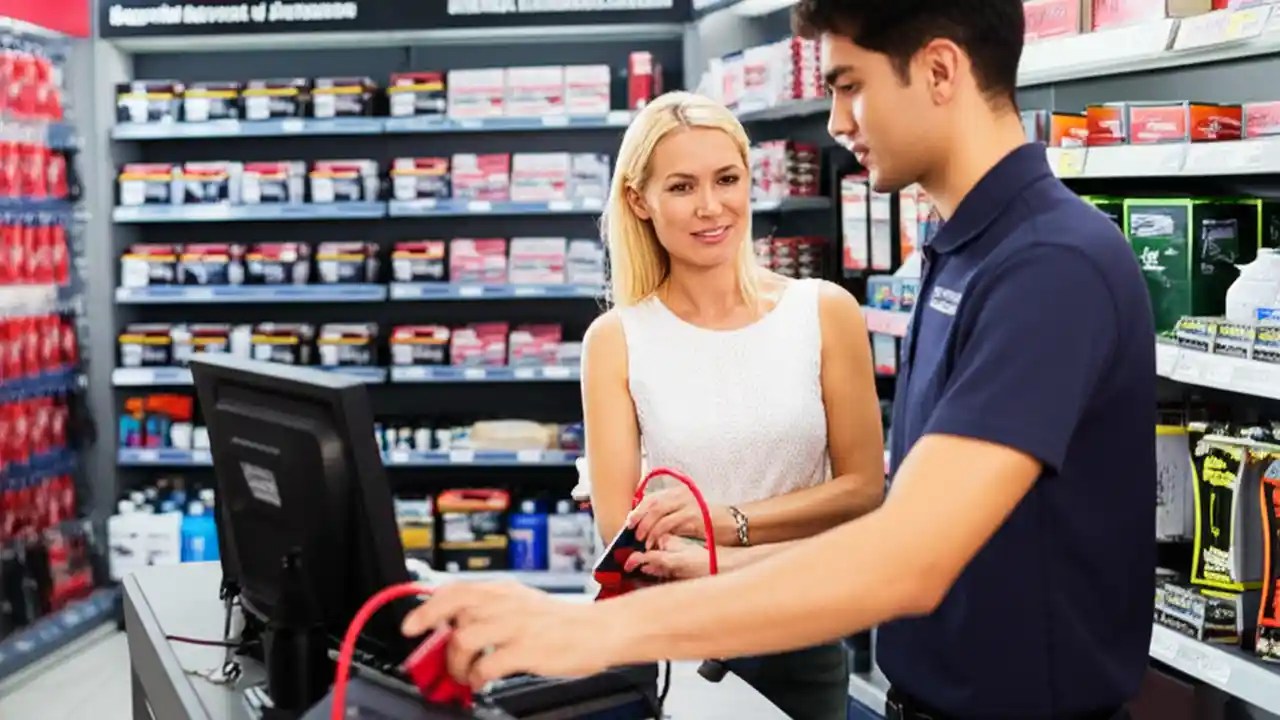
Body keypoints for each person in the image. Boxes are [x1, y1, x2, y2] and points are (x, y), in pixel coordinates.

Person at [402, 2, 1157, 719]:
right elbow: (896, 534)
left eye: (850, 85)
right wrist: (715, 569)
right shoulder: (959, 257)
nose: (836, 122)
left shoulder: (1047, 267)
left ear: (938, 70)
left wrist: (591, 631)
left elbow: (907, 558)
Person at [577, 90, 886, 719]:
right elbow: (622, 534)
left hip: (802, 634)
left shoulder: (824, 312)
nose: (711, 207)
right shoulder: (616, 340)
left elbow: (862, 491)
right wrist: (749, 560)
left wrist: (719, 536)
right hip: (680, 641)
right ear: (639, 201)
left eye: (726, 179)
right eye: (681, 187)